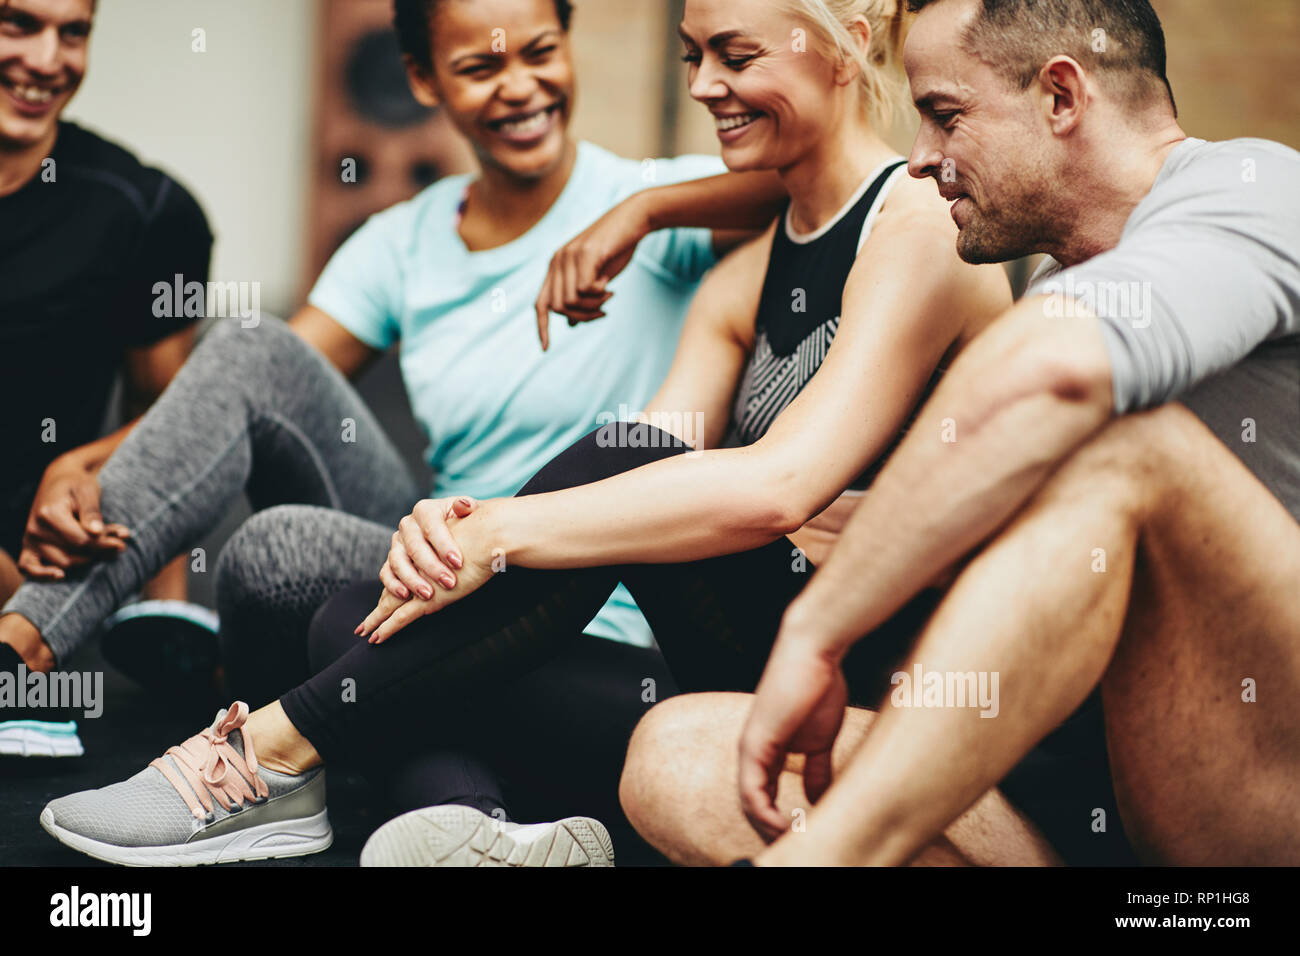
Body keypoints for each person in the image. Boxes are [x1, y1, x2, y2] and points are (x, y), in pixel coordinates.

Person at [36, 0, 1055, 869]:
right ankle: (476, 826)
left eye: (735, 54)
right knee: (356, 611)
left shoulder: (920, 226)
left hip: (870, 679)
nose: (704, 84)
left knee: (586, 495)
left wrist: (499, 529)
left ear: (846, 43)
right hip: (737, 657)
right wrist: (465, 527)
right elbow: (648, 463)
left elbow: (776, 487)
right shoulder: (742, 275)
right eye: (693, 53)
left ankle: (272, 752)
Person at [1, 0, 774, 826]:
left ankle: (448, 808)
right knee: (265, 480)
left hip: (592, 618)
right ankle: (18, 653)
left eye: (541, 53)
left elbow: (803, 182)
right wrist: (91, 460)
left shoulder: (659, 201)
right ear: (422, 78)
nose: (521, 87)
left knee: (329, 611)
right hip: (432, 574)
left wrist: (641, 214)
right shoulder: (401, 241)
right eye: (481, 68)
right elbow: (239, 392)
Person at [620, 0, 1300, 866]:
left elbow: (1052, 374)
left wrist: (818, 630)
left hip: (1260, 777)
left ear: (1061, 97)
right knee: (675, 756)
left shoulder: (1254, 192)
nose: (920, 158)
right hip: (1099, 781)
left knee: (1132, 448)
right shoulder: (1061, 281)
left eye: (945, 115)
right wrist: (865, 531)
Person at [0, 0, 210, 756]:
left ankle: (26, 658)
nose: (49, 59)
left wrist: (165, 615)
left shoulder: (147, 211)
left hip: (43, 559)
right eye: (16, 23)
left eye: (74, 31)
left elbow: (175, 418)